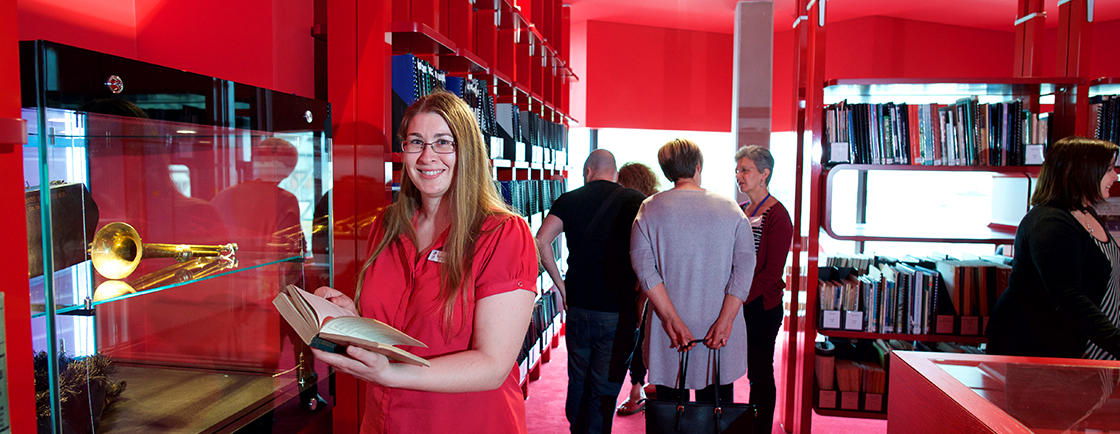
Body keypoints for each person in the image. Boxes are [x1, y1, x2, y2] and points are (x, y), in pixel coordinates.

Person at [311, 91, 539, 433]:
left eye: (443, 142)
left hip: (466, 423)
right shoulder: (386, 226)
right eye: (416, 142)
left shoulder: (503, 234)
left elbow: (493, 365)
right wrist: (351, 318)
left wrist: (390, 373)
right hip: (384, 421)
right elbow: (396, 331)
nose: (427, 156)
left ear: (468, 153)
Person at [630, 138, 755, 404]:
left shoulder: (649, 209)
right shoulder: (731, 209)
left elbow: (644, 269)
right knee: (716, 413)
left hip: (670, 331)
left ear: (666, 171)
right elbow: (745, 267)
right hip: (719, 327)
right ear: (699, 166)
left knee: (671, 413)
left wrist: (671, 319)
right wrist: (726, 320)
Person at [536, 149, 646, 434]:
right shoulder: (635, 202)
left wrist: (561, 286)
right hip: (618, 310)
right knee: (604, 387)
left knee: (578, 379)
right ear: (616, 174)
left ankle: (578, 427)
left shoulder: (569, 200)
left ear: (588, 171)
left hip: (579, 307)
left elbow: (541, 240)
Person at [988, 136, 1120, 360]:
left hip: (1080, 344)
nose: (1115, 176)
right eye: (1108, 169)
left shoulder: (1084, 212)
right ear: (1082, 172)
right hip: (1039, 350)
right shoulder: (1051, 223)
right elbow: (1069, 299)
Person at [735, 145, 793, 433]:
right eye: (737, 170)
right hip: (740, 302)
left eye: (745, 170)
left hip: (761, 306)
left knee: (759, 371)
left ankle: (760, 429)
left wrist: (738, 298)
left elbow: (772, 273)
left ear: (764, 174)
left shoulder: (778, 215)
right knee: (740, 370)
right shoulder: (743, 210)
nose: (739, 175)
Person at [613, 162, 661, 416]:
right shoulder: (652, 205)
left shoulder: (639, 209)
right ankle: (643, 386)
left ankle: (637, 388)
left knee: (639, 336)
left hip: (643, 284)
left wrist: (641, 298)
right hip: (655, 284)